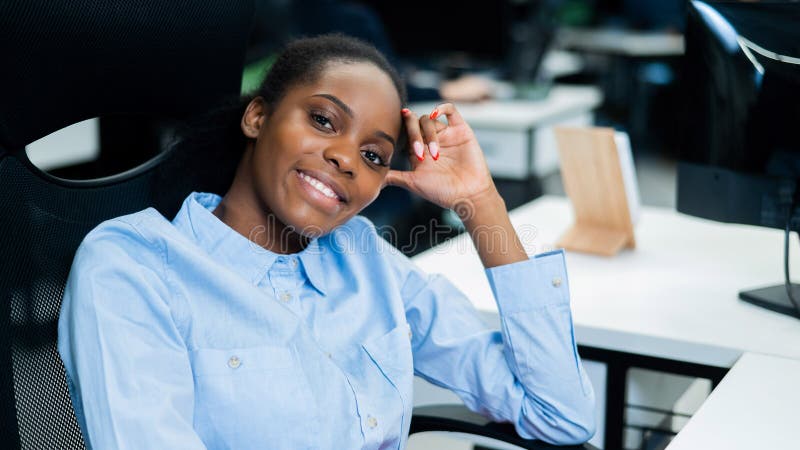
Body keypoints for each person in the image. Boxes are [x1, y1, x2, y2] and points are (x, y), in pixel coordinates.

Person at [57, 34, 595, 449]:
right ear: (258, 116)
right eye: (323, 120)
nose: (344, 157)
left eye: (374, 156)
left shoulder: (364, 258)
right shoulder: (133, 268)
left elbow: (560, 416)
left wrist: (479, 202)